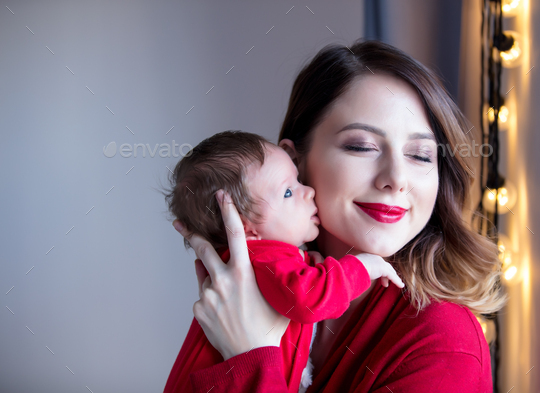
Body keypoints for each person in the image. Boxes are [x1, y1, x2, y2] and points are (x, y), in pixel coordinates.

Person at [169, 40, 506, 392]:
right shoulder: (244, 290)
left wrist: (251, 356)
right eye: (361, 146)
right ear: (293, 160)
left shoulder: (444, 342)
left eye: (421, 155)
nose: (396, 179)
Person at [162, 130, 404, 393]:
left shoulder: (257, 260)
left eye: (298, 181)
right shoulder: (266, 256)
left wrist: (309, 263)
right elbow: (308, 298)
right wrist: (364, 267)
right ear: (246, 228)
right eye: (288, 192)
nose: (309, 191)